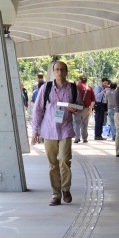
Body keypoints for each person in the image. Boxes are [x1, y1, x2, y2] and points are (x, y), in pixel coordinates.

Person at [31, 60, 81, 206]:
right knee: (53, 164)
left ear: (66, 72)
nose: (59, 72)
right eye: (57, 69)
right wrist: (35, 130)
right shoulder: (46, 88)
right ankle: (56, 194)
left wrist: (75, 109)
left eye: (62, 69)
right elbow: (38, 110)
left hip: (65, 128)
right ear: (53, 72)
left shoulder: (72, 88)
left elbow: (79, 106)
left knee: (65, 160)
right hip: (49, 130)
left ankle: (65, 189)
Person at [74, 75, 95, 143]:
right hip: (86, 108)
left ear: (79, 80)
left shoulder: (75, 87)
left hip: (77, 107)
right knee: (85, 123)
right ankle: (84, 138)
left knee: (77, 122)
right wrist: (90, 109)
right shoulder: (89, 88)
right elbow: (93, 100)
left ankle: (77, 137)